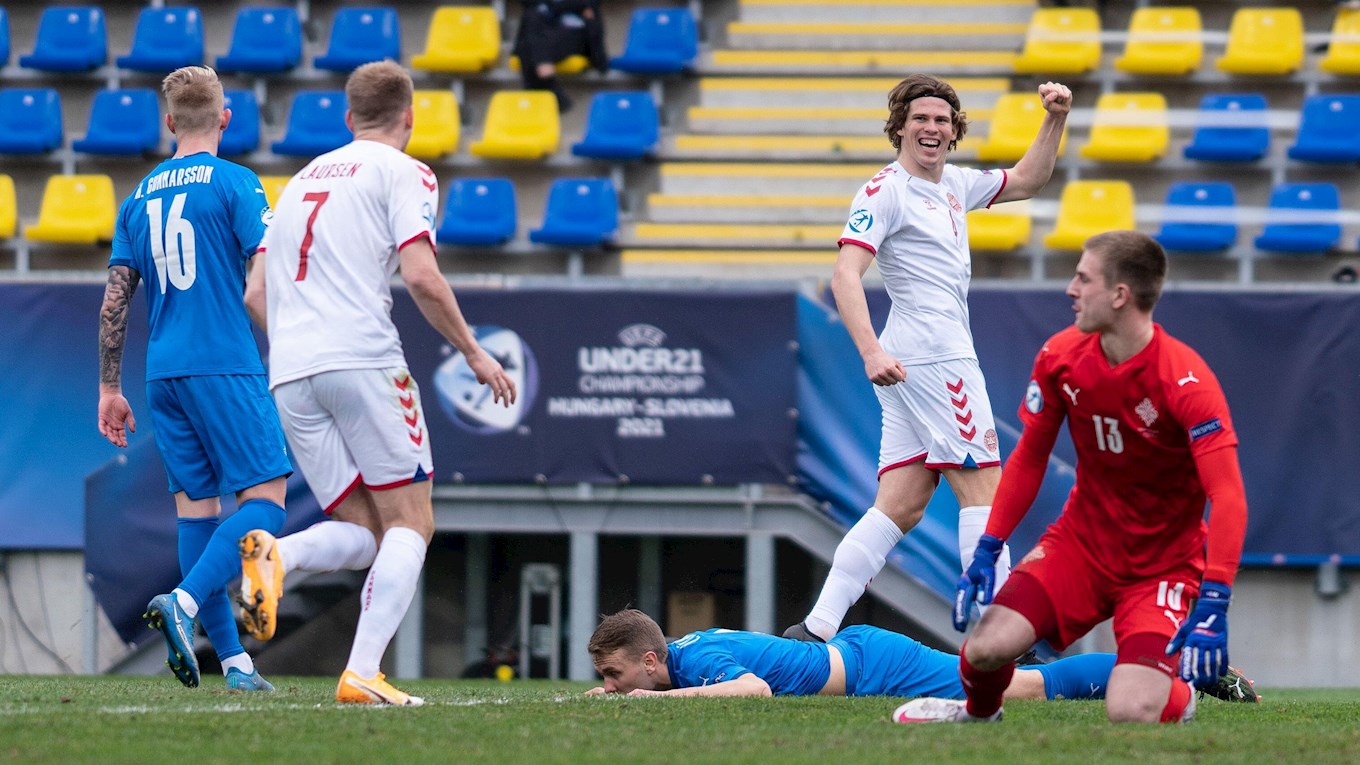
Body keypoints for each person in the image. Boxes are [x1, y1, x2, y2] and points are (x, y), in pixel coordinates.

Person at [240, 60, 516, 706]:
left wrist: (300, 346)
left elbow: (256, 290)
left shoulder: (298, 181)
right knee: (412, 522)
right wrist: (473, 351)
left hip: (290, 370)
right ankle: (362, 671)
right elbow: (420, 275)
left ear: (347, 118)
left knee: (368, 530)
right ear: (411, 116)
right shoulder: (405, 171)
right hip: (361, 357)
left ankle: (278, 555)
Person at [896, 231, 1250, 724]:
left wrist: (1215, 596)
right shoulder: (1061, 356)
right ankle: (979, 715)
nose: (1071, 289)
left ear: (1120, 295)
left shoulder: (1185, 380)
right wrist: (989, 547)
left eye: (1083, 278)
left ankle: (1180, 692)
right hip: (1079, 549)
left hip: (1161, 568)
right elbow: (1029, 458)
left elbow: (1228, 496)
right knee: (984, 648)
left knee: (1131, 711)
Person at [784, 74, 1072, 644]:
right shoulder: (884, 190)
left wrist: (1055, 117)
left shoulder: (955, 185)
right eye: (920, 119)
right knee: (985, 490)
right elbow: (845, 277)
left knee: (902, 503)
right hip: (934, 358)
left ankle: (815, 629)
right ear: (899, 128)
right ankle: (1001, 644)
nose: (932, 128)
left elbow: (1029, 180)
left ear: (955, 130)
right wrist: (870, 350)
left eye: (942, 120)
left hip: (917, 360)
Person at [97, 65, 288, 692]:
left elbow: (114, 301)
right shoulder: (237, 183)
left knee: (196, 516)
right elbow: (264, 272)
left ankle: (234, 664)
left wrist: (108, 388)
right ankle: (182, 603)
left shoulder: (137, 197)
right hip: (223, 360)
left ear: (168, 122)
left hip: (162, 372)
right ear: (226, 118)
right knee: (266, 504)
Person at [585, 609, 1257, 707]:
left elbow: (755, 691)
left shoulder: (694, 668)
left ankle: (1189, 668)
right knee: (1024, 680)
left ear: (650, 660)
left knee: (1027, 686)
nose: (612, 687)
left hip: (879, 665)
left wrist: (652, 701)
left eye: (615, 675)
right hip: (856, 653)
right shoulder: (688, 648)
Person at [511, 0, 607, 112]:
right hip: (550, 31)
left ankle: (543, 90)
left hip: (577, 34)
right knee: (531, 28)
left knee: (531, 44)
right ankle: (550, 87)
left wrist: (556, 6)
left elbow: (588, 4)